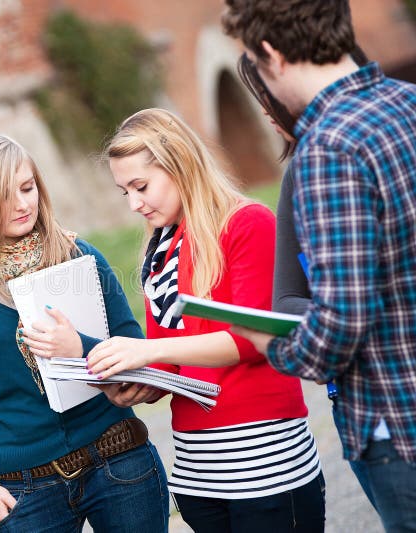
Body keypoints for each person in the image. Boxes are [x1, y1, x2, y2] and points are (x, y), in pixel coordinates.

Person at [222, 2, 416, 530]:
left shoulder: (327, 148)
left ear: (271, 54)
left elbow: (343, 323)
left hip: (395, 424)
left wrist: (270, 343)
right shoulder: (409, 102)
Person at [85, 108, 325, 532]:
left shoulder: (247, 223)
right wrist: (142, 381)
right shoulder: (157, 250)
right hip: (198, 472)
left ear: (179, 163)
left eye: (141, 186)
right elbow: (173, 354)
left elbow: (254, 339)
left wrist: (147, 349)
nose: (136, 203)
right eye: (126, 192)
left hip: (264, 464)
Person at [0, 133, 169, 532]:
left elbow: (132, 349)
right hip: (28, 490)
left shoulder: (81, 256)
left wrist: (80, 349)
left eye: (27, 187)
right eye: (4, 195)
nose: (22, 204)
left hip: (121, 462)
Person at [236, 49, 379, 511]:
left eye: (266, 94)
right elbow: (287, 298)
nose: (264, 109)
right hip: (359, 400)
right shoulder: (299, 174)